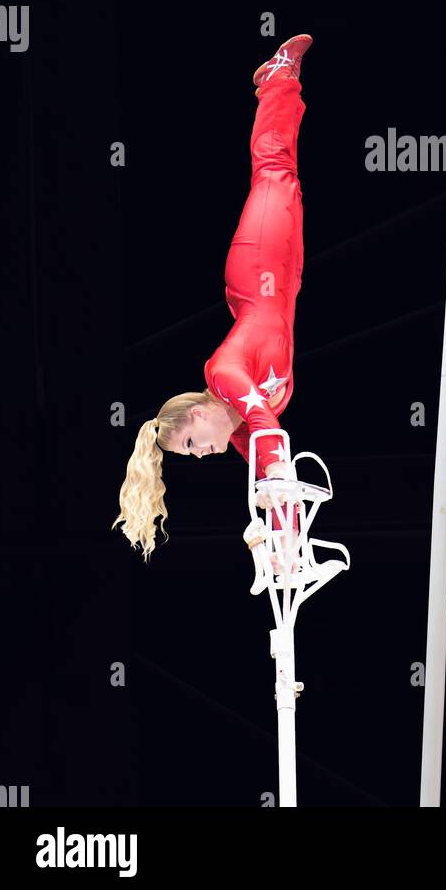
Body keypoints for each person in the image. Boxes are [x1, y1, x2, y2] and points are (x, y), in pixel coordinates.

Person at [113, 35, 313, 561]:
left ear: (197, 415)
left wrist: (277, 487)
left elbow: (272, 438)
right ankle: (280, 84)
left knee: (274, 171)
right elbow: (273, 463)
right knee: (286, 177)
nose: (201, 454)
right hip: (284, 284)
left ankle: (278, 79)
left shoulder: (224, 376)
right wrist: (286, 540)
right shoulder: (241, 432)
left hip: (256, 271)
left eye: (188, 445)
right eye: (191, 454)